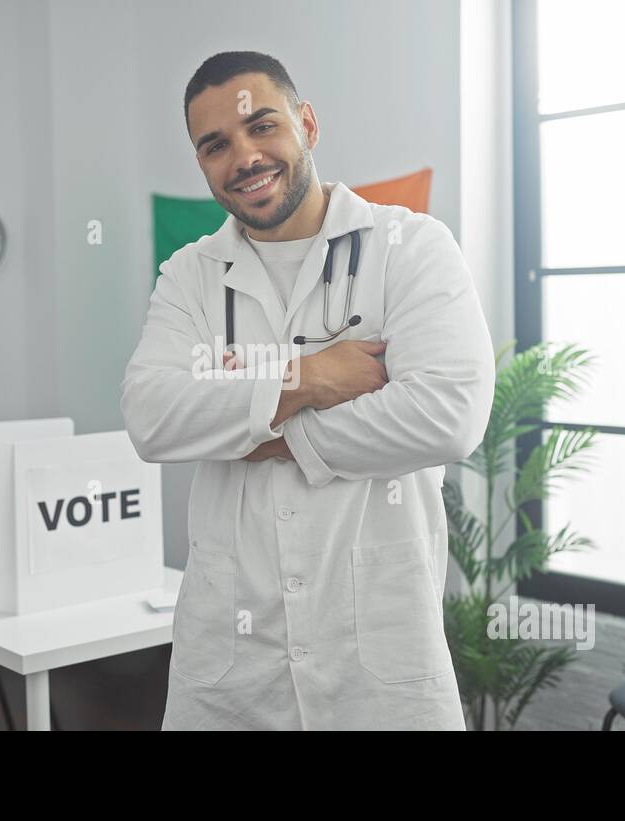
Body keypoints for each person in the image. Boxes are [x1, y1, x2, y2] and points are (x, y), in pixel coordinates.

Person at [121, 51, 495, 730]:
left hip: (380, 659)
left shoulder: (409, 247)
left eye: (262, 126)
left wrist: (264, 429)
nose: (244, 156)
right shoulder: (189, 275)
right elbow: (151, 417)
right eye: (216, 144)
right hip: (230, 664)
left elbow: (448, 414)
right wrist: (312, 379)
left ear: (308, 124)